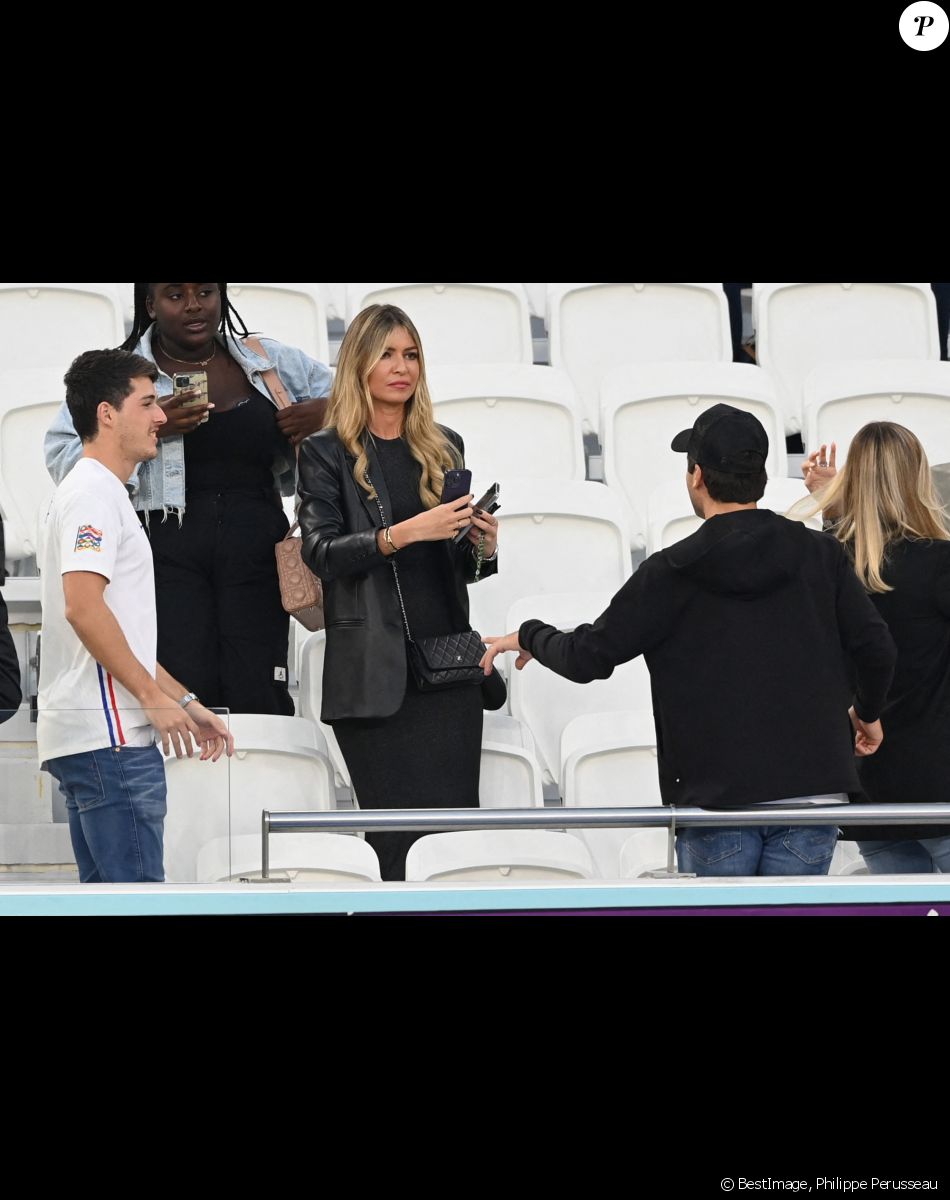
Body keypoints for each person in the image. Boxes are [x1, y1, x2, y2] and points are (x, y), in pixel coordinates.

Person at [482, 404, 897, 877]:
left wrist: (530, 635)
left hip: (715, 804)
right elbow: (877, 647)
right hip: (813, 794)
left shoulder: (671, 570)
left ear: (696, 475)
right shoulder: (821, 554)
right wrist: (868, 715)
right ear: (760, 476)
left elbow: (588, 657)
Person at [44, 283, 333, 716]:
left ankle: (261, 778)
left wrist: (329, 410)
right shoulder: (121, 374)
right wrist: (152, 425)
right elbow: (64, 454)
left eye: (205, 292)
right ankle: (189, 782)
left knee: (259, 683)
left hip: (256, 546)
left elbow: (369, 398)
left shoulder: (269, 360)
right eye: (175, 295)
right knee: (184, 681)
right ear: (150, 305)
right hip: (164, 547)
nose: (194, 305)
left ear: (223, 297)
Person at [296, 304, 499, 881]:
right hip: (371, 678)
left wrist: (481, 544)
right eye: (386, 353)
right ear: (359, 363)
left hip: (447, 672)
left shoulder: (443, 445)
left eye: (410, 354)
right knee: (395, 847)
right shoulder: (325, 450)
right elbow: (321, 553)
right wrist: (399, 535)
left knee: (454, 846)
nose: (401, 367)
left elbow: (461, 567)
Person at [38, 349, 234, 884]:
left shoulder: (94, 492)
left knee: (110, 902)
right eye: (147, 403)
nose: (162, 416)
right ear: (106, 413)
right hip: (111, 740)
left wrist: (183, 700)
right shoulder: (92, 494)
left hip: (98, 736)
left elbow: (120, 631)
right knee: (137, 901)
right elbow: (83, 608)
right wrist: (151, 700)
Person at [800, 423, 950, 872]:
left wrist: (832, 509)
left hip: (870, 792)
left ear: (854, 482)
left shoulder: (827, 563)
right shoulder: (940, 563)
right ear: (918, 478)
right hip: (940, 788)